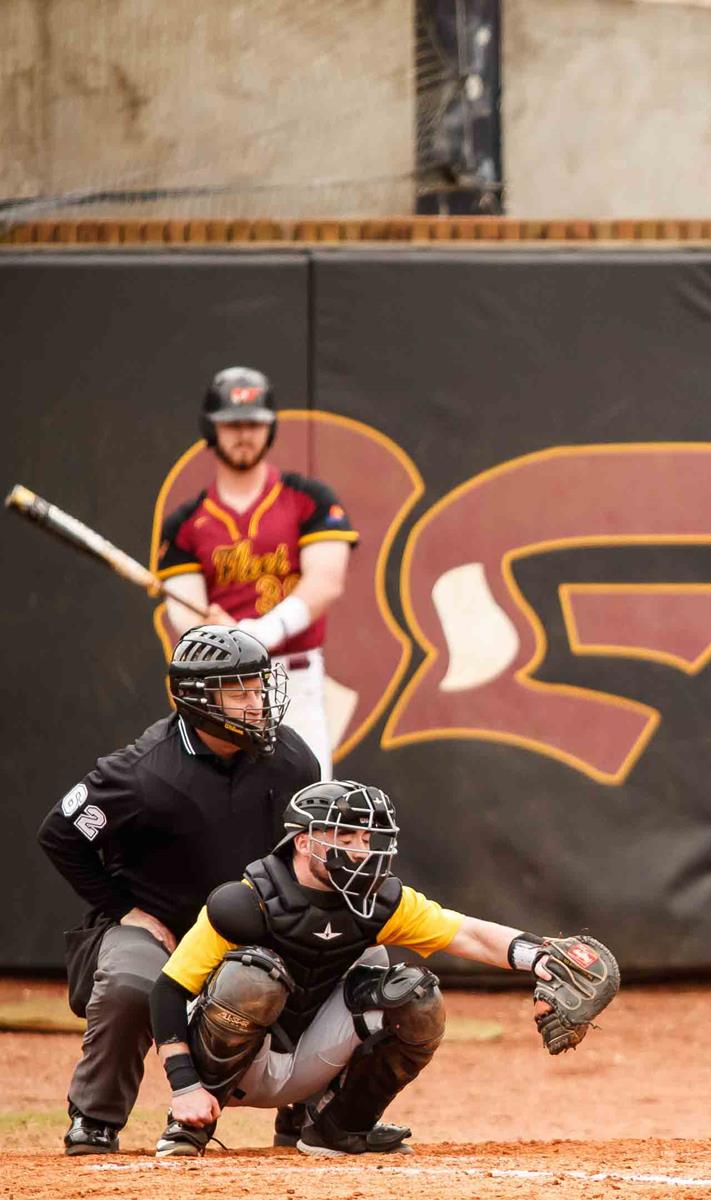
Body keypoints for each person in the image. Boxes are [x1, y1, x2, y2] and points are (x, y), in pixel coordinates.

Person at [148, 779, 619, 1157]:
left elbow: (466, 933)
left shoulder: (380, 903)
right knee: (254, 976)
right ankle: (189, 1129)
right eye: (346, 836)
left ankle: (336, 1127)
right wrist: (185, 1085)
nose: (363, 849)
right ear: (305, 841)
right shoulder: (245, 900)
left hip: (311, 1059)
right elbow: (168, 991)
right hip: (229, 1071)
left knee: (416, 997)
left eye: (367, 838)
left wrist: (536, 957)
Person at [38, 625, 318, 1155]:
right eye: (240, 690)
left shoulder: (292, 759)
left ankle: (309, 1114)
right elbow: (60, 834)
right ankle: (95, 1120)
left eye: (259, 686)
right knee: (129, 983)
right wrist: (124, 910)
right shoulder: (141, 773)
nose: (257, 701)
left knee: (327, 953)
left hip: (253, 918)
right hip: (161, 923)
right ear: (198, 699)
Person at [156, 366, 358, 778]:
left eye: (253, 423)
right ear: (211, 429)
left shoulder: (310, 499)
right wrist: (220, 643)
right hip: (218, 691)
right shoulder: (185, 523)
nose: (243, 434)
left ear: (270, 428)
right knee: (218, 815)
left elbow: (326, 582)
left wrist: (256, 635)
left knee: (307, 809)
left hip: (294, 679)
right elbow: (186, 616)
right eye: (231, 424)